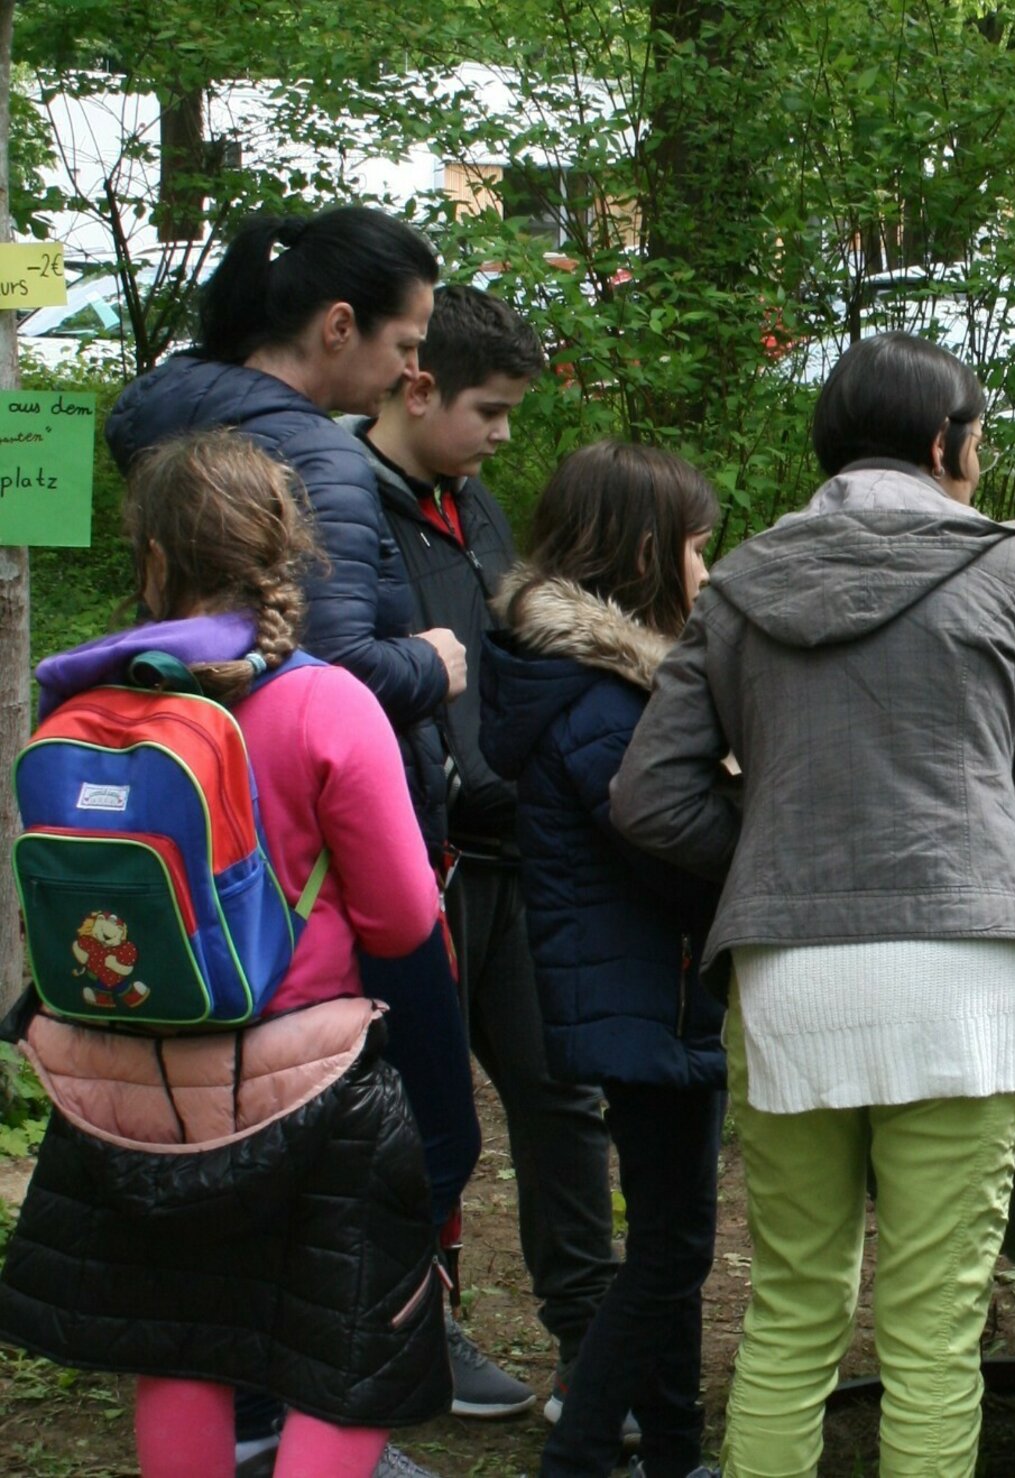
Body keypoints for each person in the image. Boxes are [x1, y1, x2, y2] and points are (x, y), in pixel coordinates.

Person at [608, 331, 1015, 1476]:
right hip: (963, 969)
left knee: (788, 1309)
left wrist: (781, 843)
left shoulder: (740, 577)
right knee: (932, 1332)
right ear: (943, 441)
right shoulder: (1009, 565)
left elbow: (647, 792)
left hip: (791, 971)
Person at [0, 431, 465, 1478]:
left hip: (128, 1083)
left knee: (182, 1344)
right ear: (289, 549)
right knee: (352, 1350)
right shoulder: (325, 701)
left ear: (150, 554)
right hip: (306, 1086)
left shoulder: (80, 702)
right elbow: (397, 921)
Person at [353, 285, 619, 1424]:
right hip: (411, 865)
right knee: (415, 1114)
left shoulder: (475, 504)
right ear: (417, 387)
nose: (505, 432)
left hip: (512, 855)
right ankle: (416, 1331)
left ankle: (594, 1341)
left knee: (563, 1096)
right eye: (490, 408)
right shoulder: (343, 506)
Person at [480, 441, 727, 1478]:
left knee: (672, 1236)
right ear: (640, 553)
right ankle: (579, 1455)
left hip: (633, 986)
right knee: (671, 1248)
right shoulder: (602, 700)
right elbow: (667, 852)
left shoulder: (585, 681)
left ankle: (674, 1451)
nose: (705, 571)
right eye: (693, 548)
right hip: (642, 987)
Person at [104, 204, 462, 857]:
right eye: (406, 345)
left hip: (191, 786)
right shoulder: (320, 458)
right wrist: (432, 663)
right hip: (305, 832)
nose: (413, 371)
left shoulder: (180, 420)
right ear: (340, 326)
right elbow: (333, 667)